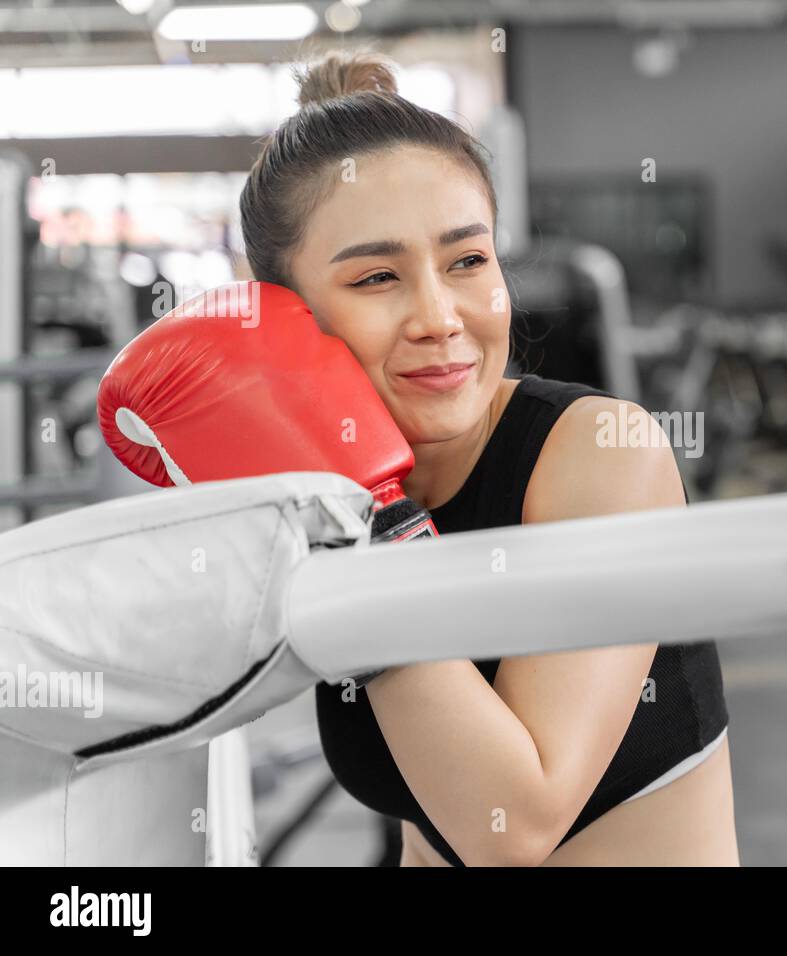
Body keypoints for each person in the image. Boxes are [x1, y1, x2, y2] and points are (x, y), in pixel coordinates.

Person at [237, 49, 736, 867]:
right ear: (287, 317)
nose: (440, 317)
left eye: (468, 261)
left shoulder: (602, 456)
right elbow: (426, 832)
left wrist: (371, 528)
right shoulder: (328, 487)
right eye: (376, 277)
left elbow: (512, 822)